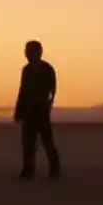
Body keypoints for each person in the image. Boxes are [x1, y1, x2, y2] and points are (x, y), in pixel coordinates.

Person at [13, 39, 61, 179]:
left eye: (30, 51)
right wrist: (18, 110)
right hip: (28, 110)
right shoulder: (27, 70)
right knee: (28, 143)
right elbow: (22, 91)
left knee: (47, 141)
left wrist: (48, 104)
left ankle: (54, 170)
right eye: (27, 51)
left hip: (41, 109)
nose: (27, 54)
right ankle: (28, 170)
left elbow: (53, 89)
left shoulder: (47, 69)